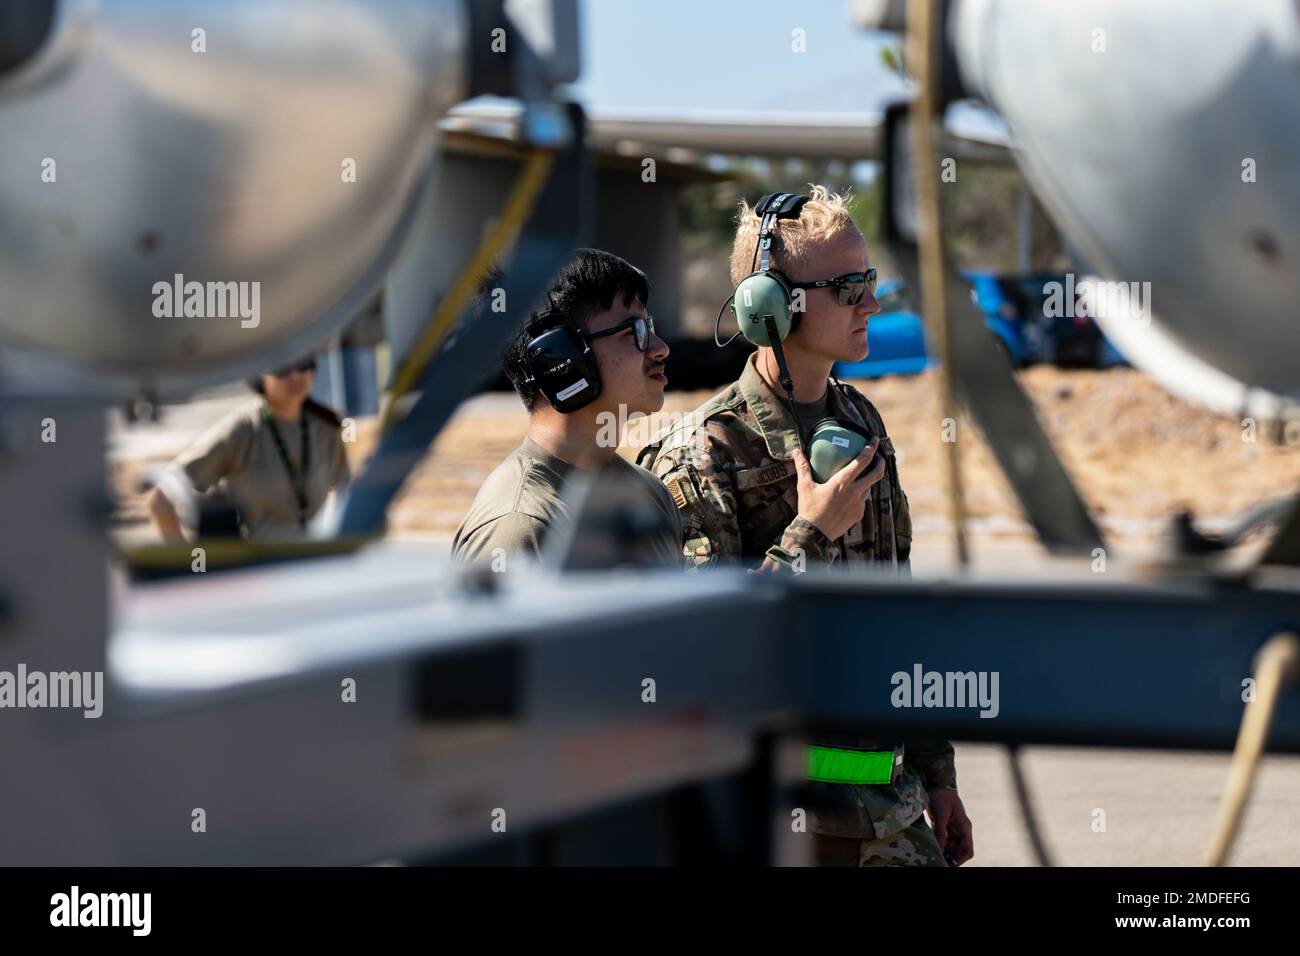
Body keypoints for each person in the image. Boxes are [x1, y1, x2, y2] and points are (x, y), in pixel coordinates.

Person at [640, 186, 974, 866]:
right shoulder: (703, 453)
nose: (872, 304)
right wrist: (809, 535)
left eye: (870, 282)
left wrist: (938, 778)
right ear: (770, 306)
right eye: (849, 288)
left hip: (890, 803)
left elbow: (897, 612)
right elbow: (713, 653)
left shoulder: (861, 423)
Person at [451, 249, 680, 567]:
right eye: (633, 333)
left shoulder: (651, 495)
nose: (660, 348)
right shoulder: (520, 524)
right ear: (563, 358)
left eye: (649, 327)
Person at [146, 356, 351, 541]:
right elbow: (161, 497)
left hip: (315, 565)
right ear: (259, 375)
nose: (296, 375)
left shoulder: (327, 429)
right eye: (283, 368)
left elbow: (345, 495)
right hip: (256, 571)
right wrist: (185, 563)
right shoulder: (243, 430)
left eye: (305, 364)